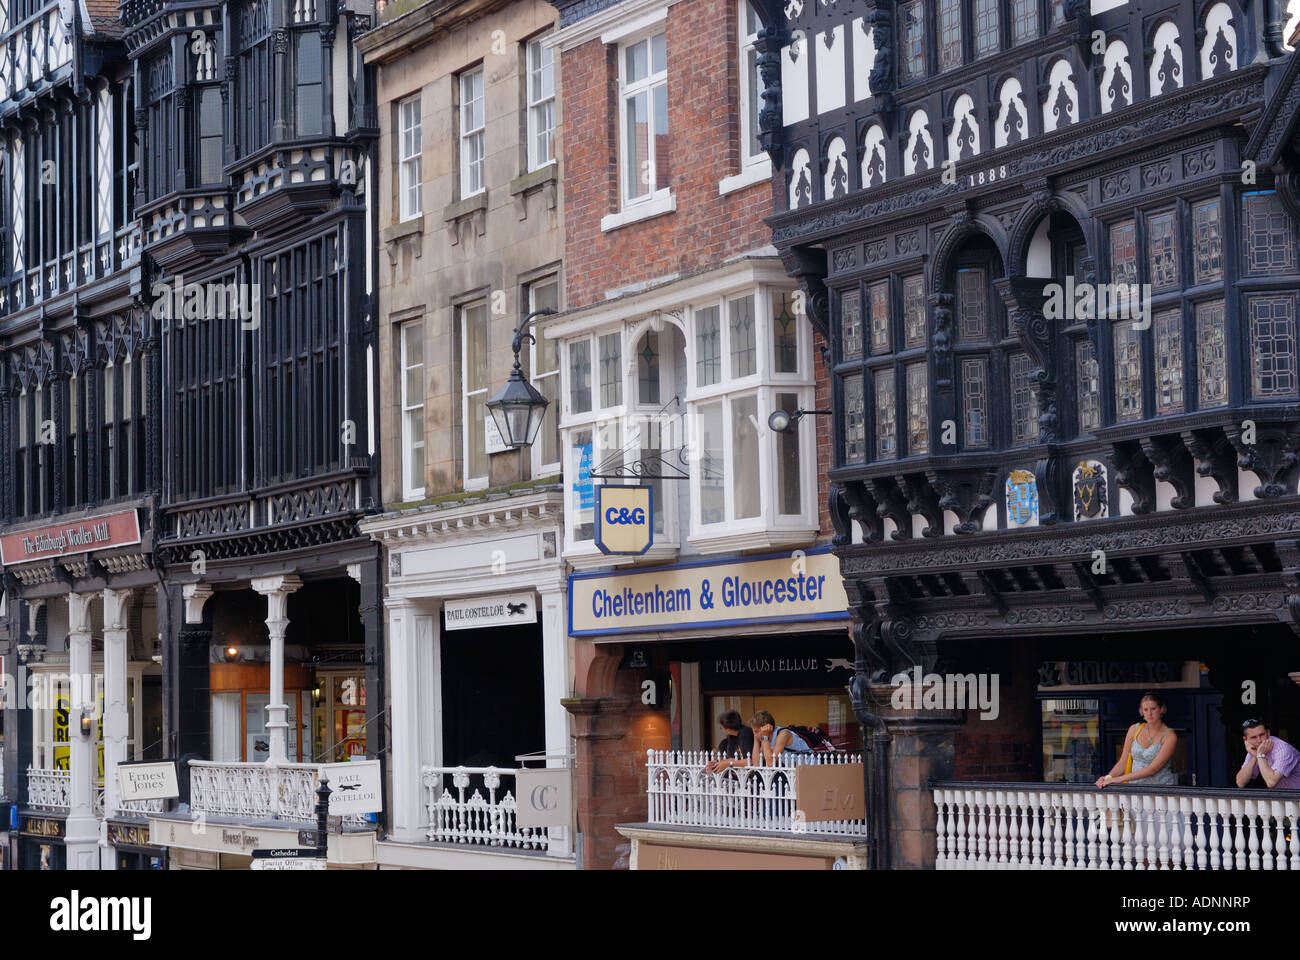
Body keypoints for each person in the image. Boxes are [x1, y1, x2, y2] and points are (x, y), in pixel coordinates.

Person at [1096, 692, 1178, 789]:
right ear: (1141, 711)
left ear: (1161, 709)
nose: (1149, 713)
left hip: (1161, 790)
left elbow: (1152, 769)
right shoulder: (1134, 729)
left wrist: (1119, 779)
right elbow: (1123, 762)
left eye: (1153, 709)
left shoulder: (1169, 736)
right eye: (1145, 709)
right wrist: (1108, 778)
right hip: (1137, 788)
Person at [1235, 717, 1300, 789]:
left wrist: (1260, 755)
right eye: (1254, 737)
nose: (1259, 740)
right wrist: (1254, 757)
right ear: (1246, 739)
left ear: (1268, 733)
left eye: (1261, 735)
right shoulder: (1255, 748)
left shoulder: (1283, 749)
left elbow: (1271, 783)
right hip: (1283, 796)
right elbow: (1240, 783)